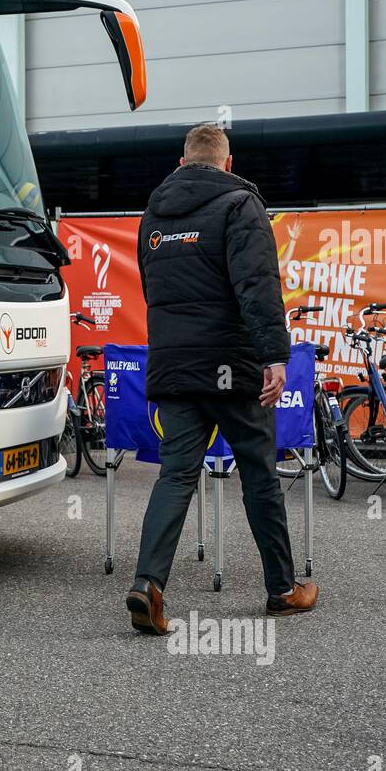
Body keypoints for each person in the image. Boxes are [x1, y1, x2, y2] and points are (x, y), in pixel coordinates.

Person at [126, 123, 319, 633]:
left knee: (175, 476)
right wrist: (275, 355)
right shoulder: (240, 205)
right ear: (228, 163)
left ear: (182, 161)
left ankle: (148, 585)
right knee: (258, 474)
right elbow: (258, 285)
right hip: (232, 369)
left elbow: (153, 291)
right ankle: (281, 589)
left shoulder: (153, 215)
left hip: (174, 368)